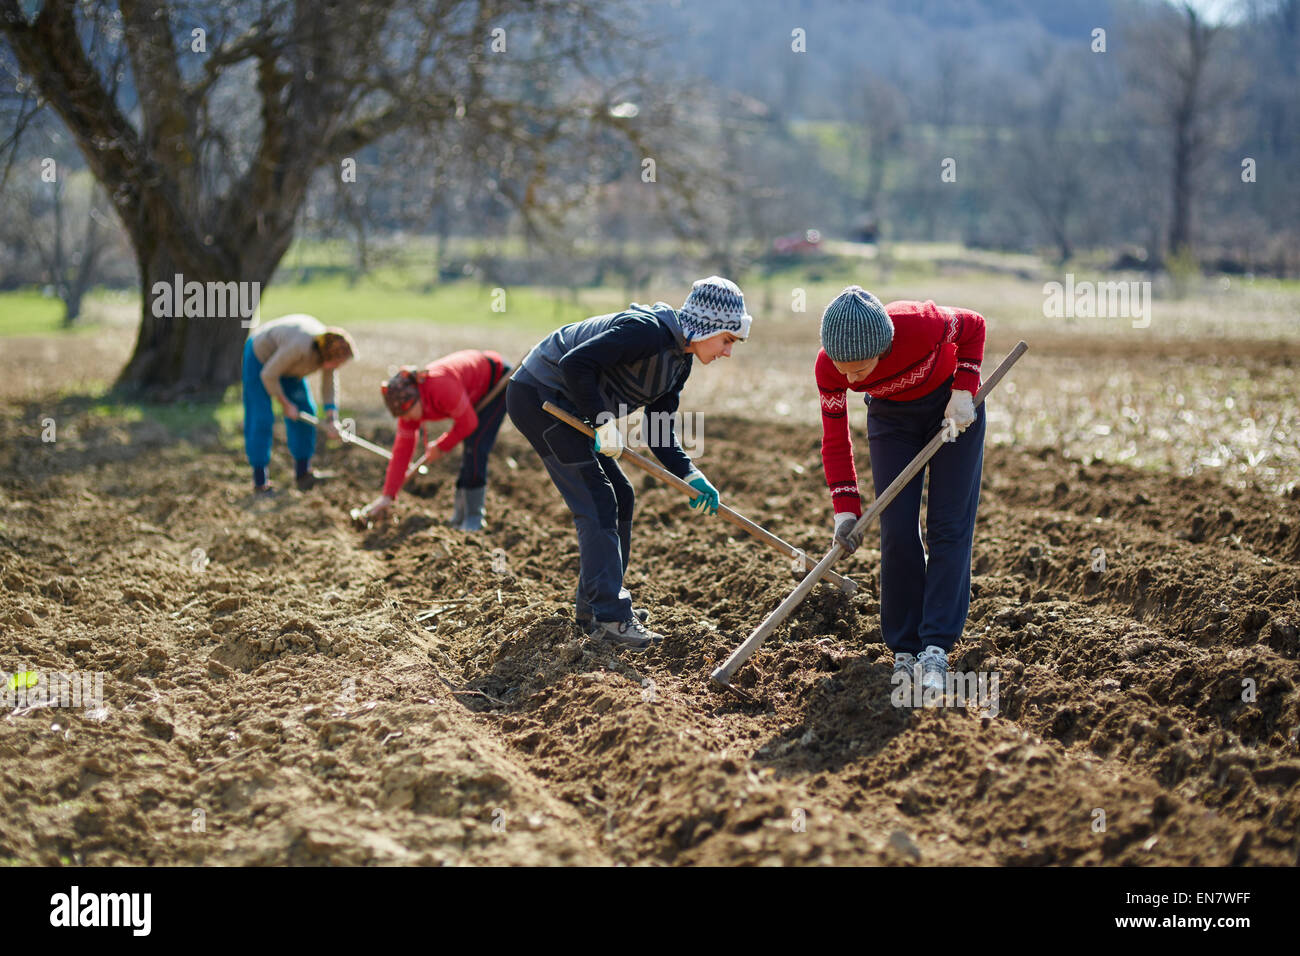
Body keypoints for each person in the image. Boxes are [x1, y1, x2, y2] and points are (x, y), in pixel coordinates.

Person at [506, 276, 750, 650]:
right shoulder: (646, 332)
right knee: (598, 499)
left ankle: (597, 605)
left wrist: (691, 473)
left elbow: (657, 430)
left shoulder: (678, 364)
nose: (727, 352)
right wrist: (603, 422)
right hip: (539, 395)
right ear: (707, 326)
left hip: (569, 404)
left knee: (622, 493)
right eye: (727, 340)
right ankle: (610, 616)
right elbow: (576, 364)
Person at [815, 286, 986, 696]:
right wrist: (845, 512)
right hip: (891, 420)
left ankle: (935, 648)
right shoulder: (828, 368)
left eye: (860, 368)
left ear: (884, 345)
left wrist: (964, 390)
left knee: (949, 526)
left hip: (951, 410)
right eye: (844, 369)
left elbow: (975, 327)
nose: (852, 378)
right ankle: (904, 647)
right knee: (896, 528)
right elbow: (835, 439)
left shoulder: (921, 324)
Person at [359, 350, 512, 530]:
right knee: (470, 446)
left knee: (475, 445)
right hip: (472, 392)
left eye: (407, 413)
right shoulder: (407, 411)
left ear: (415, 399)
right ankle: (459, 516)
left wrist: (441, 446)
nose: (406, 419)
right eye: (402, 416)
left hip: (495, 381)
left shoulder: (441, 387)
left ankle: (474, 517)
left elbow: (469, 422)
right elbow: (401, 453)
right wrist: (388, 495)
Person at [242, 314, 357, 493]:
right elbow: (268, 375)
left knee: (306, 412)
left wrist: (332, 416)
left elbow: (329, 385)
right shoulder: (300, 347)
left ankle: (303, 473)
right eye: (337, 363)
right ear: (327, 356)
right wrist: (285, 404)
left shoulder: (325, 352)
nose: (338, 367)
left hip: (288, 367)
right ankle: (260, 481)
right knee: (261, 417)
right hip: (260, 359)